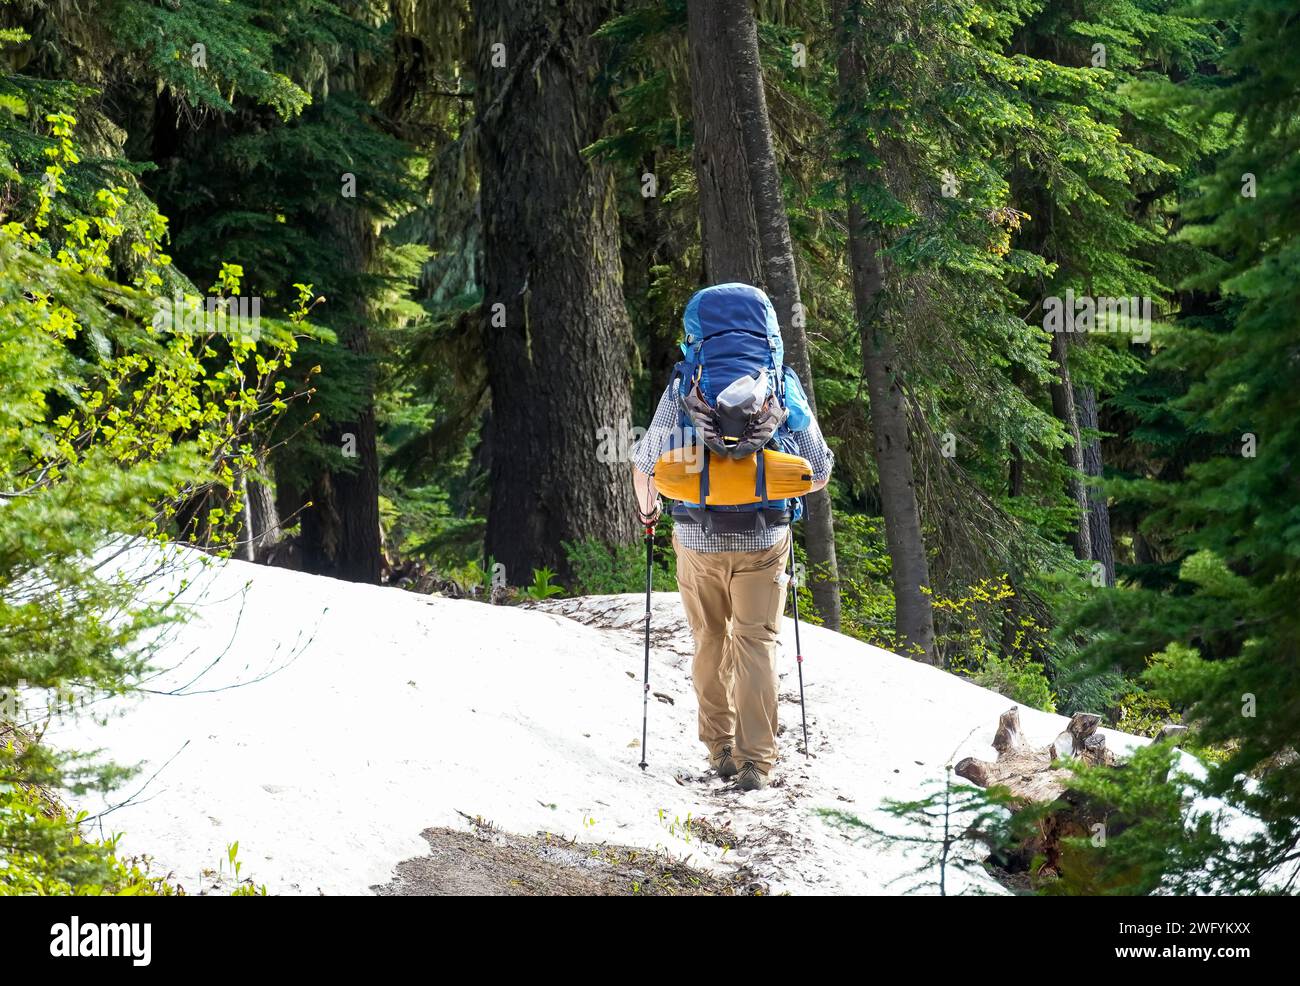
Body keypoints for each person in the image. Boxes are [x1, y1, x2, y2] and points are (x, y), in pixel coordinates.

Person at [631, 283, 833, 791]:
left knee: (708, 638)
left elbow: (644, 464)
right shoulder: (780, 384)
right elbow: (820, 469)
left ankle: (719, 747)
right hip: (764, 537)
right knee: (756, 643)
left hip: (696, 535)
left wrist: (649, 512)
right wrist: (776, 484)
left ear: (697, 336)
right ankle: (756, 762)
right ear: (768, 335)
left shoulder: (685, 384)